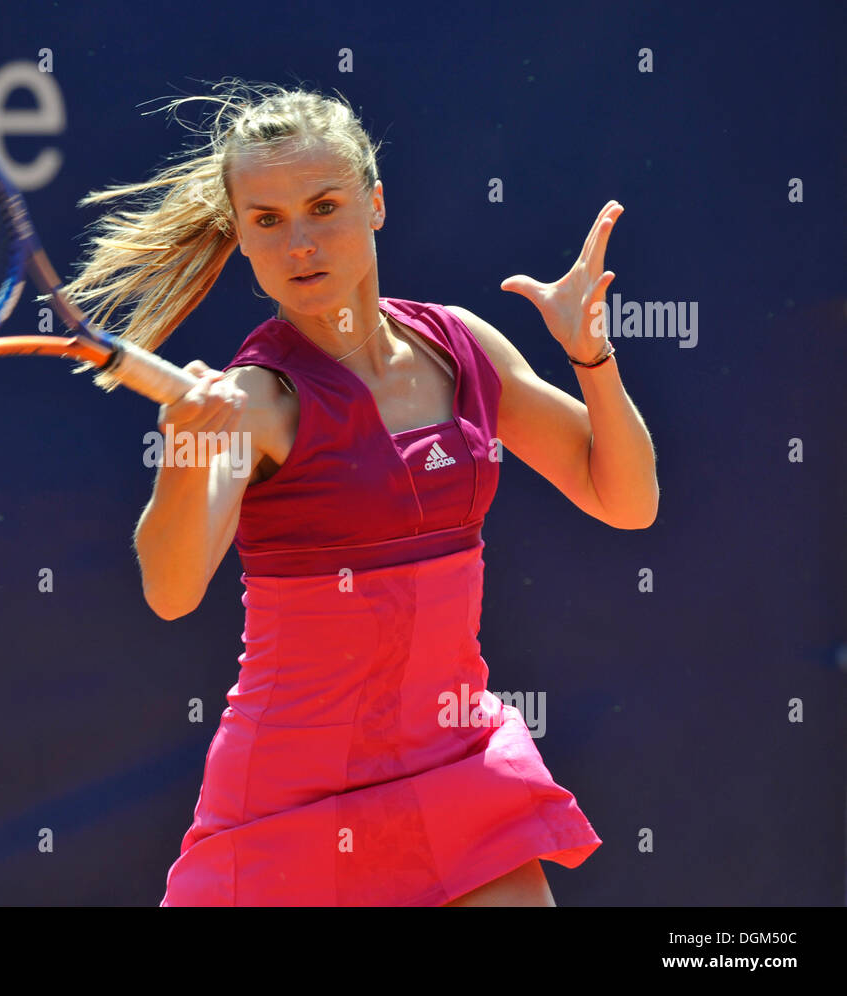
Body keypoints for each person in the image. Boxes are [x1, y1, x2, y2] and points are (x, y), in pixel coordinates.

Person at [59, 81, 658, 906]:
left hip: (457, 763)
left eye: (324, 206)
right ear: (241, 236)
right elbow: (170, 591)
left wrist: (593, 357)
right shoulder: (261, 399)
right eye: (266, 220)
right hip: (290, 799)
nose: (299, 243)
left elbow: (625, 499)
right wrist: (184, 459)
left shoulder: (462, 349)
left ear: (375, 204)